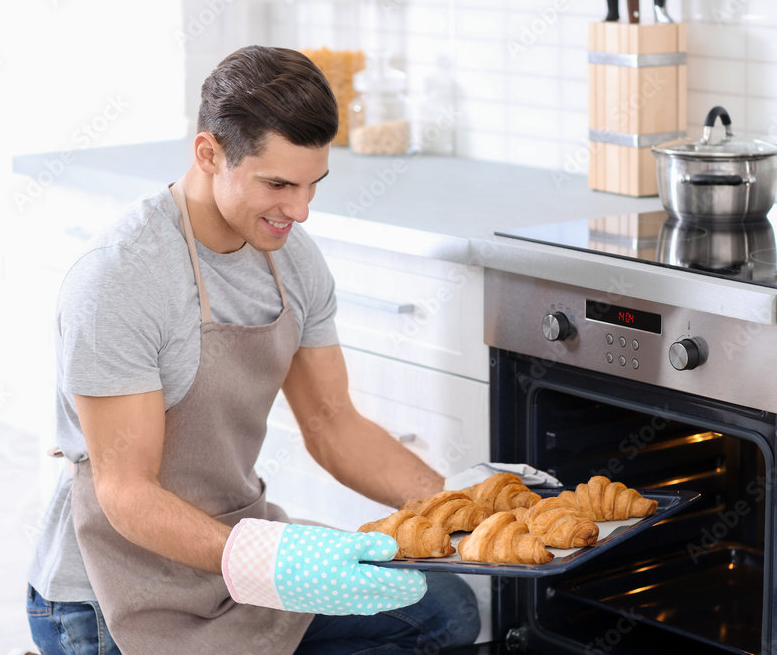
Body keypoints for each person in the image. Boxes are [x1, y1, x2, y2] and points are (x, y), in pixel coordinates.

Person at [25, 45, 480, 655]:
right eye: (278, 185)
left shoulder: (292, 258)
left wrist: (464, 511)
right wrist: (272, 558)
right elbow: (126, 494)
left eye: (313, 184)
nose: (300, 211)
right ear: (209, 153)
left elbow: (335, 425)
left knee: (441, 610)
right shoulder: (122, 278)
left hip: (237, 550)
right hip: (110, 591)